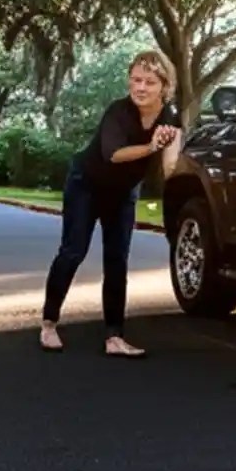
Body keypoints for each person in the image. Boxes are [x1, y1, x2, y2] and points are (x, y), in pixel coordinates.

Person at [39, 50, 181, 357]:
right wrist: (151, 146)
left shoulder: (170, 117)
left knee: (117, 262)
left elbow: (170, 166)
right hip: (86, 185)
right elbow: (113, 154)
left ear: (164, 86)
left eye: (149, 82)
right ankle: (49, 323)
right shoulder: (118, 111)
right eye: (135, 80)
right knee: (73, 251)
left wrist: (170, 152)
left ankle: (114, 337)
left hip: (123, 193)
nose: (140, 88)